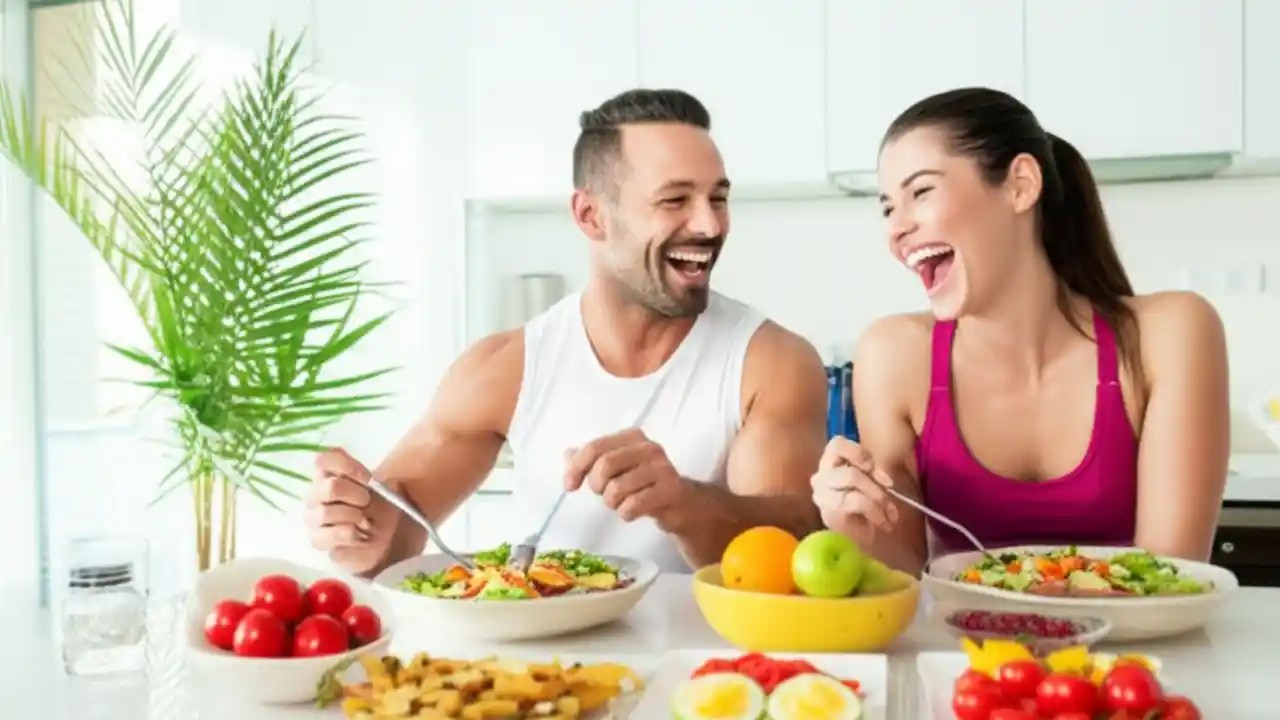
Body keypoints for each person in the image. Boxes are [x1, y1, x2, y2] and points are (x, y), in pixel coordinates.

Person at [305, 88, 829, 576]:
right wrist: (358, 528)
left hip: (705, 671)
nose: (710, 225)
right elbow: (395, 540)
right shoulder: (506, 367)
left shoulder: (770, 362)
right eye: (675, 201)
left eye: (718, 198)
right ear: (591, 216)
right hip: (541, 673)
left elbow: (795, 545)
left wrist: (683, 503)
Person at [811, 87, 1230, 575]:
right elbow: (905, 574)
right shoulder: (894, 356)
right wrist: (855, 528)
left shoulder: (1170, 335)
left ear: (1020, 185)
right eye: (886, 208)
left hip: (1133, 651)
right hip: (971, 650)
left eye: (921, 192)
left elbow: (1171, 577)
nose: (896, 229)